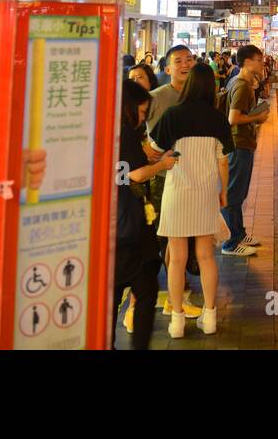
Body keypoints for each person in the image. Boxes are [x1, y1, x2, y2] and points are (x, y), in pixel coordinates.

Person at [149, 63, 233, 338]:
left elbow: (153, 150)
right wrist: (223, 192)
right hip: (206, 193)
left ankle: (177, 322)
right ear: (211, 87)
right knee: (207, 256)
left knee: (176, 260)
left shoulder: (173, 115)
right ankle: (210, 317)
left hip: (177, 193)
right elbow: (223, 161)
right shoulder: (218, 119)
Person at [113, 79, 176, 349]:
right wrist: (162, 164)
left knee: (113, 295)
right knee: (147, 291)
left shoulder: (109, 129)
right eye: (140, 112)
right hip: (131, 227)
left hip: (114, 226)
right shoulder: (125, 132)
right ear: (129, 107)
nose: (142, 119)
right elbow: (133, 175)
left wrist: (145, 157)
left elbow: (124, 168)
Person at [221, 44, 269, 256]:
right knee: (233, 195)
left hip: (243, 144)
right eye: (259, 60)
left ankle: (239, 234)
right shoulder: (241, 85)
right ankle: (231, 243)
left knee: (239, 194)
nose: (262, 63)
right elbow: (233, 118)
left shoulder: (243, 82)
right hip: (238, 145)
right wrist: (257, 117)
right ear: (248, 62)